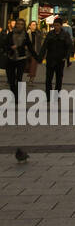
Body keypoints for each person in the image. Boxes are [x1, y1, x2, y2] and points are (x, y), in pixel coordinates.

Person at [1, 19, 32, 162]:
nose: (18, 26)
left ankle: (17, 97)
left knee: (19, 79)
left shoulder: (25, 36)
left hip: (21, 59)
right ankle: (14, 94)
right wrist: (9, 48)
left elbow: (30, 47)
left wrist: (37, 57)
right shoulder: (9, 35)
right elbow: (3, 45)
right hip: (10, 59)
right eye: (17, 24)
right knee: (11, 81)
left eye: (20, 24)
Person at [41, 16, 74, 96]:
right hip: (50, 59)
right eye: (54, 25)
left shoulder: (65, 35)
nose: (56, 27)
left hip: (60, 60)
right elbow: (45, 46)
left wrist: (65, 57)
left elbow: (69, 46)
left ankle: (56, 95)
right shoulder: (50, 34)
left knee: (58, 79)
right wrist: (41, 57)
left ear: (61, 25)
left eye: (57, 25)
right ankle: (48, 95)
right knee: (48, 78)